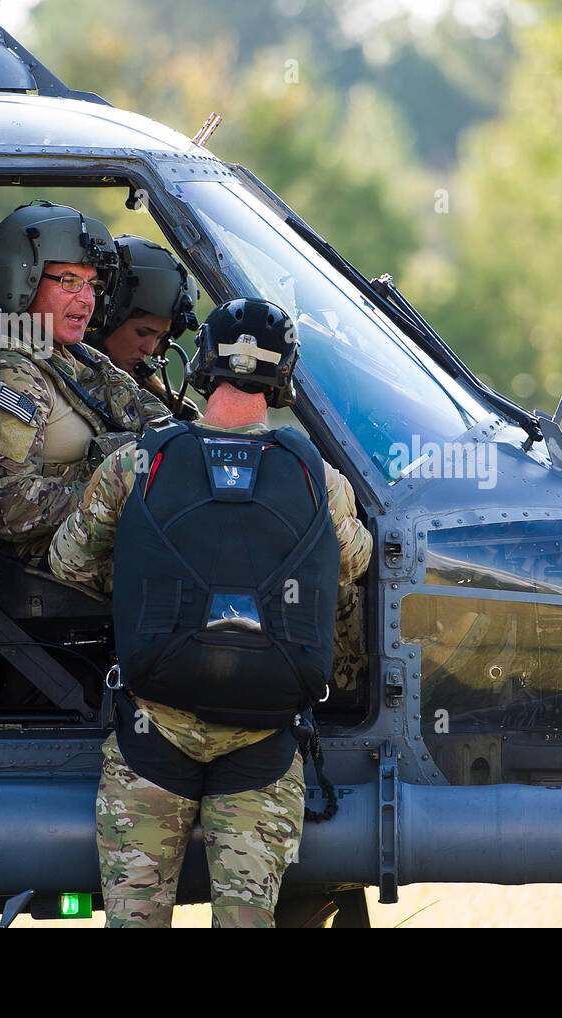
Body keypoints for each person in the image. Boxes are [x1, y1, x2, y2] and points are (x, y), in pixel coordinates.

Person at [48, 298, 371, 928]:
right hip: (265, 738)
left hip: (153, 731)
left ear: (203, 364)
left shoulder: (139, 462)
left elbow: (68, 563)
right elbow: (352, 564)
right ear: (285, 377)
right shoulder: (316, 476)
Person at [0, 202, 171, 560]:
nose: (86, 300)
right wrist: (110, 488)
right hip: (49, 558)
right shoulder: (15, 373)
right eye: (69, 281)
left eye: (92, 284)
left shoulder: (76, 356)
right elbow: (10, 506)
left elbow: (158, 421)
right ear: (22, 280)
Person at [94, 234, 202, 420]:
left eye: (160, 338)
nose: (150, 349)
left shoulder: (163, 400)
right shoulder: (61, 380)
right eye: (143, 332)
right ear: (106, 316)